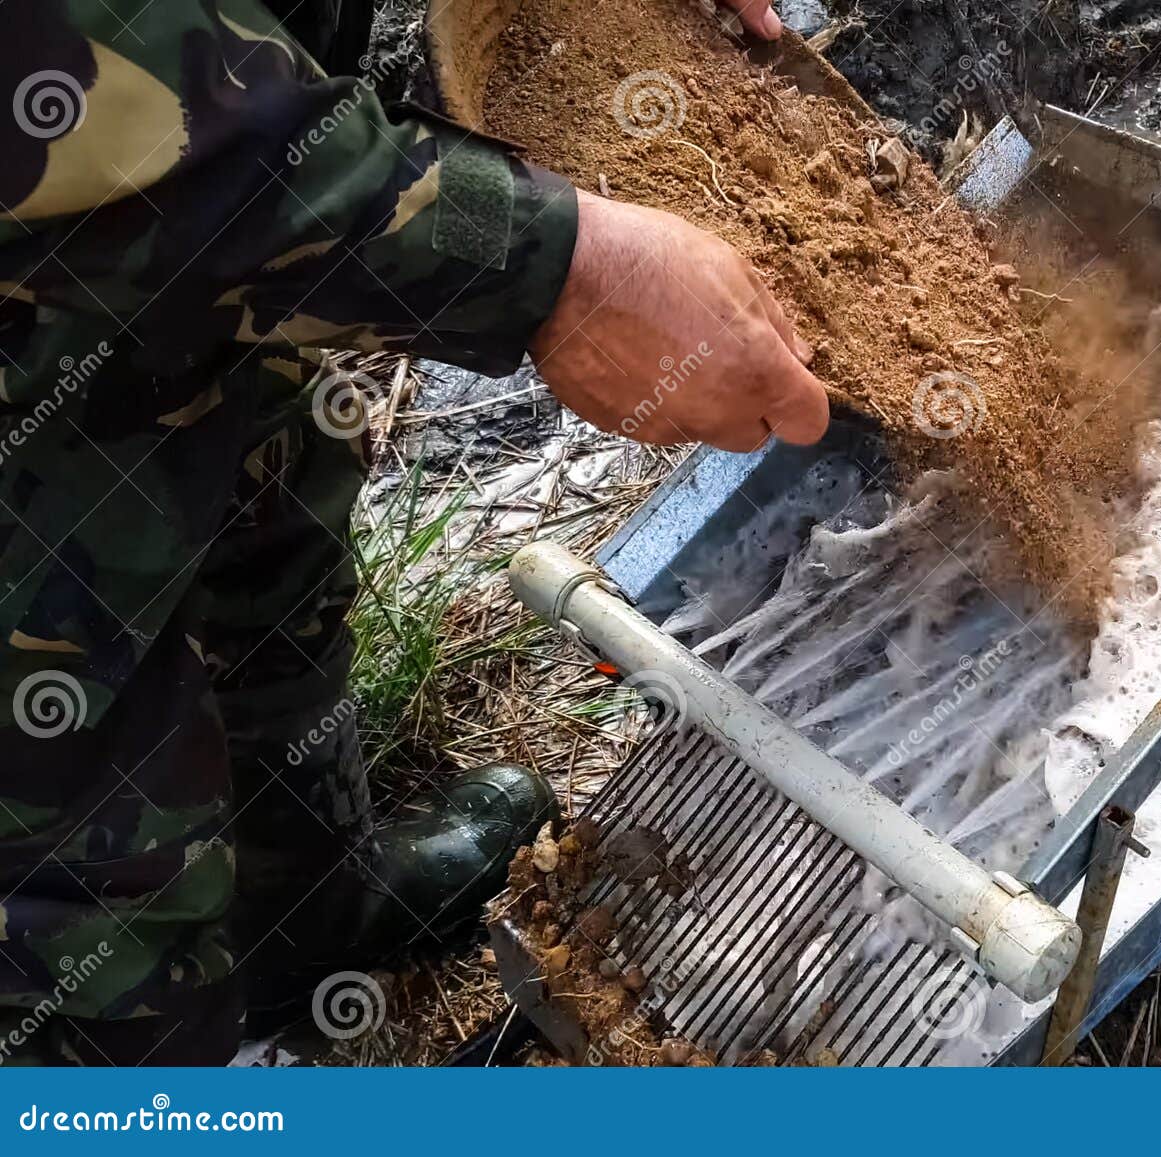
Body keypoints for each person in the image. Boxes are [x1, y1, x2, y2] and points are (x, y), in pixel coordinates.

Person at [0, 0, 827, 1065]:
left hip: (200, 276)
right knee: (64, 840)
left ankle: (301, 935)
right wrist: (549, 263)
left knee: (262, 575)